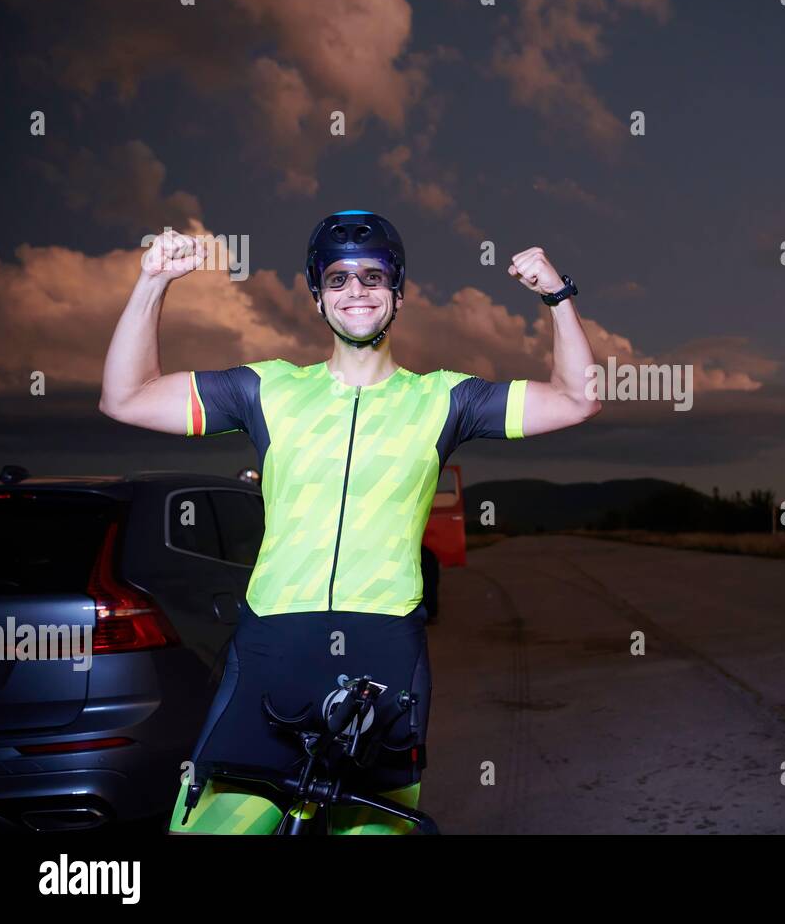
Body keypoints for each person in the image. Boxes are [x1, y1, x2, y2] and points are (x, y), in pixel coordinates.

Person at [99, 211, 600, 834]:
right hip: (272, 647)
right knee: (219, 826)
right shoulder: (267, 389)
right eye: (337, 278)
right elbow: (126, 396)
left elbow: (579, 398)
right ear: (316, 296)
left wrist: (556, 296)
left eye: (373, 276)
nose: (356, 290)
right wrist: (151, 282)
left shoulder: (443, 399)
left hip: (383, 650)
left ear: (399, 293)